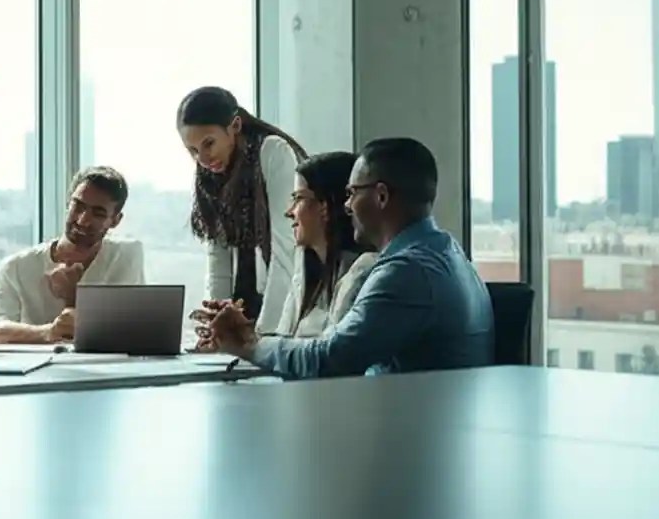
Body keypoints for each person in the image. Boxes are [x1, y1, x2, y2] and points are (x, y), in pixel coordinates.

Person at [197, 137, 494, 379]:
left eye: (352, 193)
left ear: (381, 196)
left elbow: (330, 359)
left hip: (405, 438)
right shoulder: (448, 254)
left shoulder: (406, 272)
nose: (347, 205)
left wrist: (248, 345)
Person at [177, 86, 307, 330]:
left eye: (209, 143)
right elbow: (218, 255)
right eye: (193, 151)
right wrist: (217, 326)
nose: (203, 159)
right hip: (247, 297)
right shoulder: (210, 173)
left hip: (287, 297)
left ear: (235, 126)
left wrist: (265, 335)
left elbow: (285, 249)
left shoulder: (273, 152)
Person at [0, 167, 145, 344]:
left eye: (98, 213)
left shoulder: (126, 255)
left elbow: (124, 328)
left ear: (115, 220)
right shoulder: (15, 267)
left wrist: (73, 296)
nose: (83, 220)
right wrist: (48, 332)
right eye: (78, 206)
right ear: (68, 204)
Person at [255, 151, 378, 338]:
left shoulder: (362, 273)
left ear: (325, 206)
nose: (289, 212)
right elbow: (284, 345)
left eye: (298, 198)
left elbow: (328, 353)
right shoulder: (305, 274)